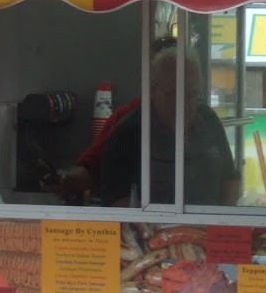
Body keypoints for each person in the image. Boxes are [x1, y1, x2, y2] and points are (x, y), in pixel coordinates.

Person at [97, 46, 240, 206]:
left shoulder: (209, 120)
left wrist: (225, 214)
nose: (184, 105)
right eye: (174, 95)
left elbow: (230, 178)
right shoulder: (128, 133)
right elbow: (117, 202)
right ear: (152, 91)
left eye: (192, 95)